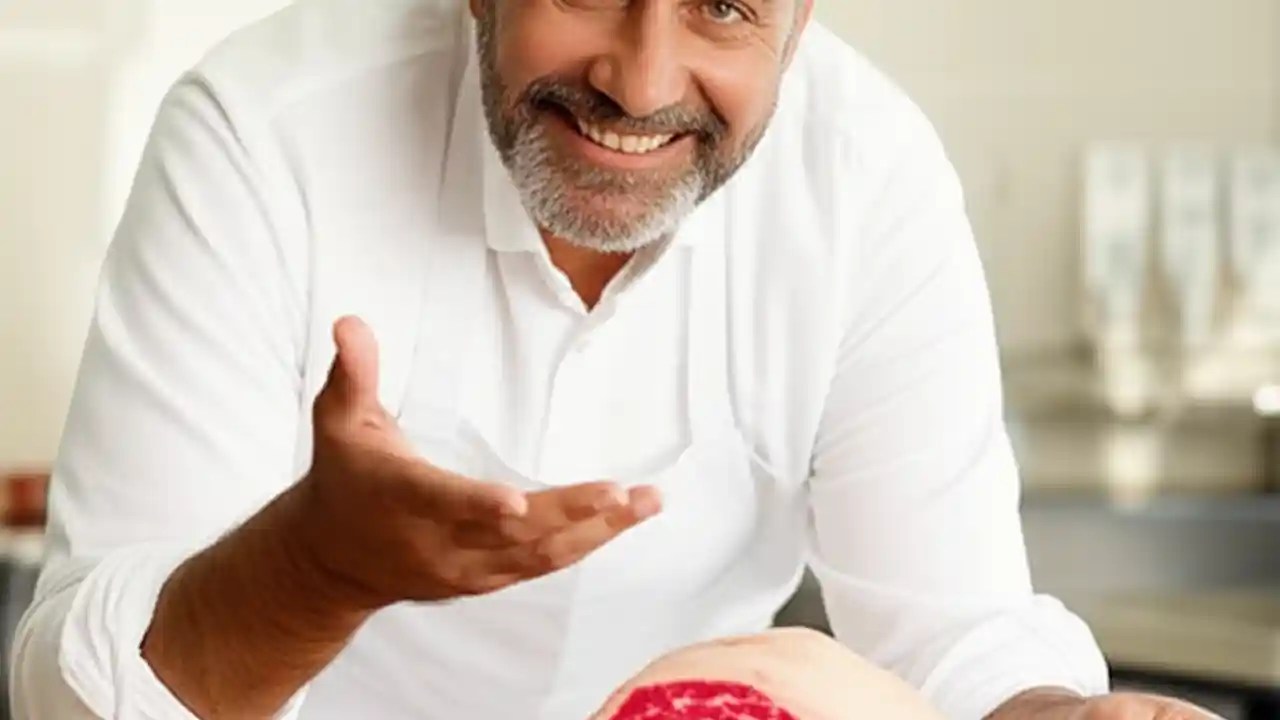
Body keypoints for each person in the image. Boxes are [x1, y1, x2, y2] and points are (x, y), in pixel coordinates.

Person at [10, 0, 1217, 718]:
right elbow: (77, 699)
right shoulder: (262, 133)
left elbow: (946, 635)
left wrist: (1052, 712)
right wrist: (311, 568)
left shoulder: (869, 180)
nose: (637, 84)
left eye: (722, 6)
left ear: (798, 20)